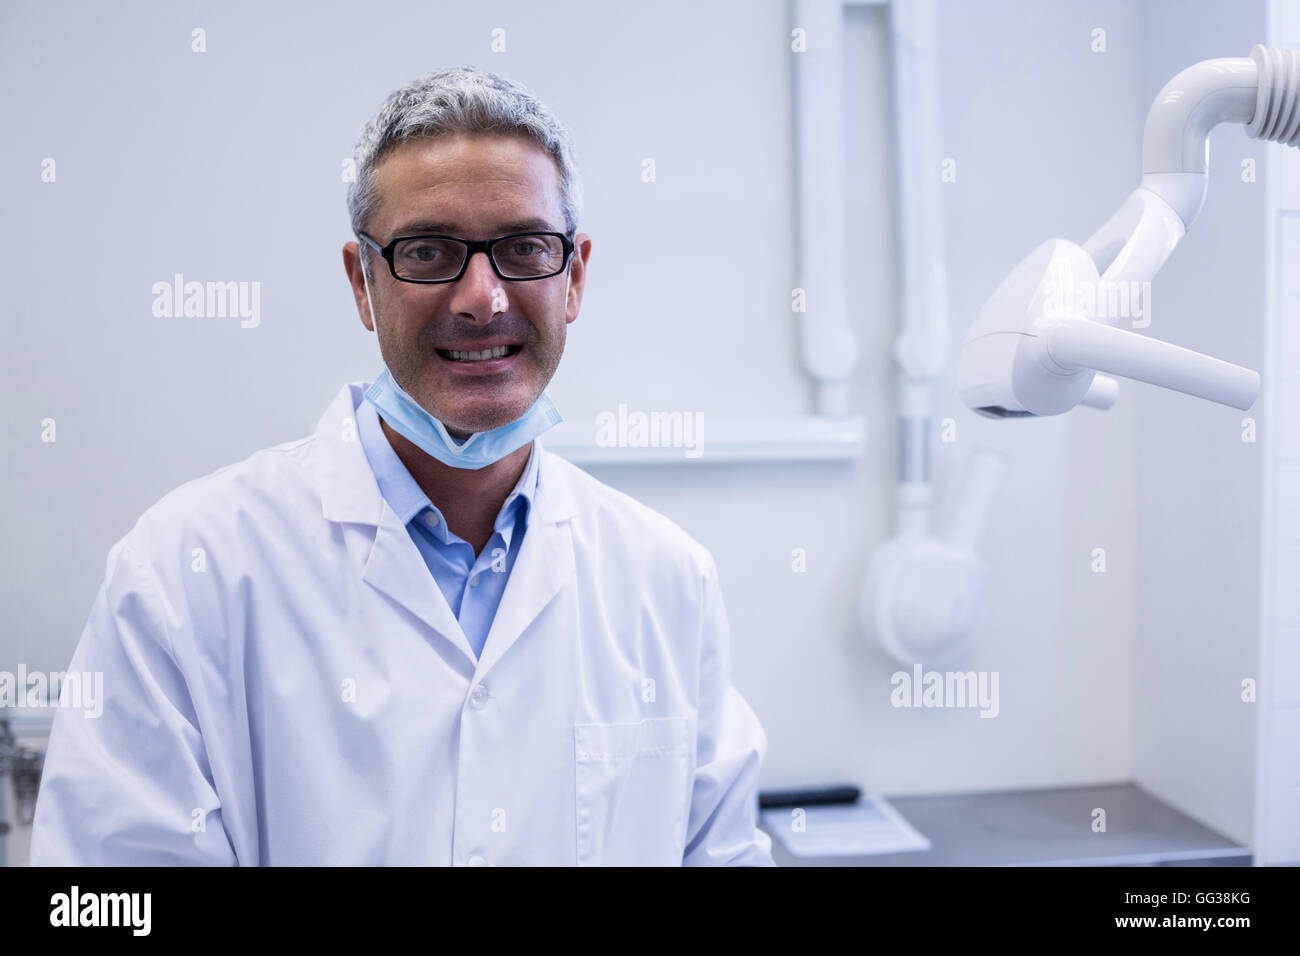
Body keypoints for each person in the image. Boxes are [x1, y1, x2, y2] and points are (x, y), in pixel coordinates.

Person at [29, 66, 775, 866]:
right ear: (363, 282)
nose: (482, 297)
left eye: (523, 248)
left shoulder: (666, 579)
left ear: (575, 277)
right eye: (430, 252)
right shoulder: (185, 571)